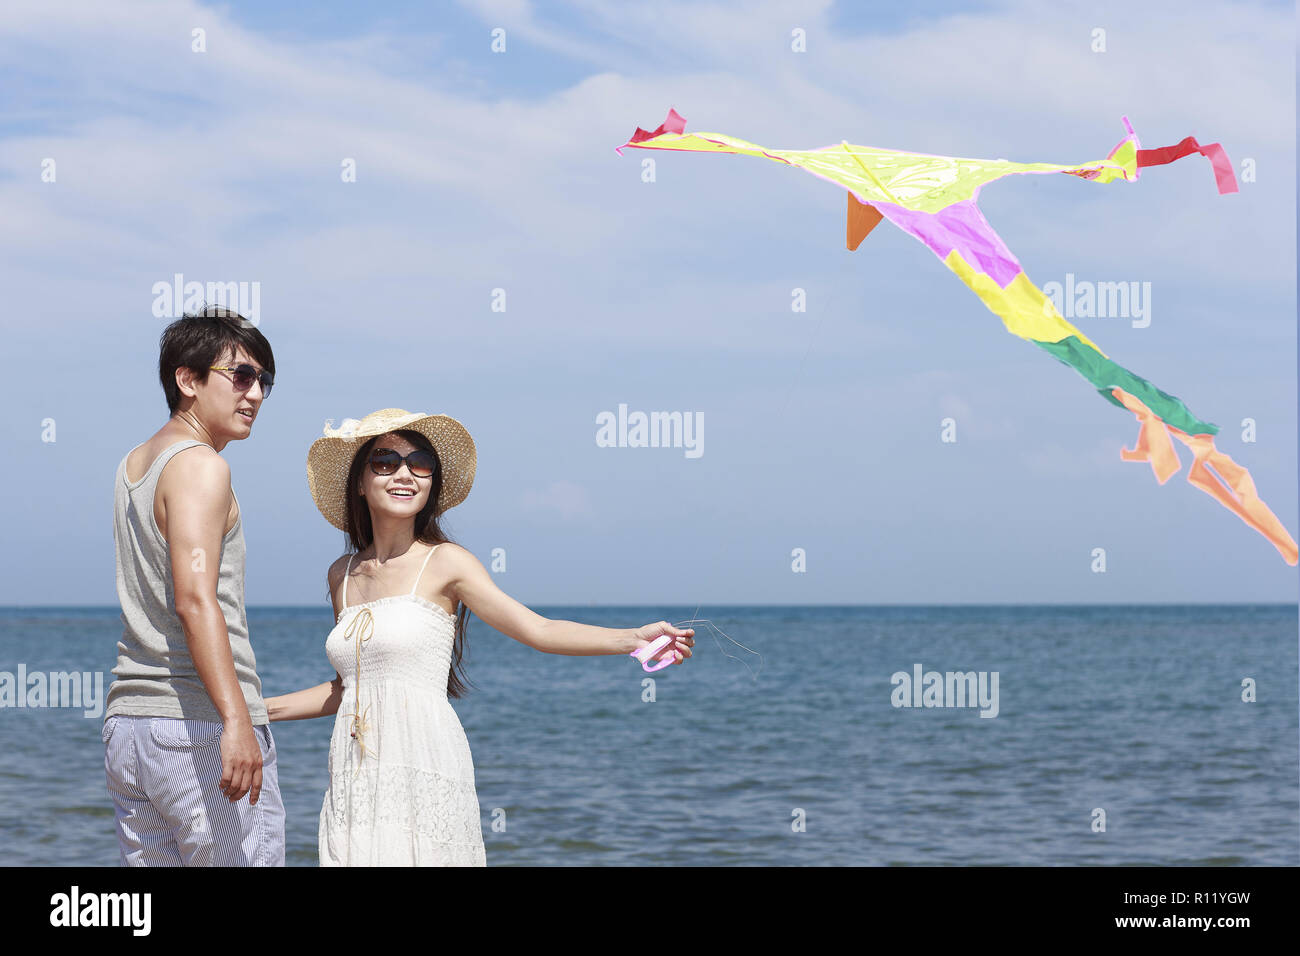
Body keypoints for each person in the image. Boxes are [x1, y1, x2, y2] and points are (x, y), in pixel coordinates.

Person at [264, 407, 695, 866]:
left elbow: (538, 629)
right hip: (356, 772)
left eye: (420, 462)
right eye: (385, 462)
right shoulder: (342, 575)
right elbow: (350, 690)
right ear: (359, 481)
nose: (404, 474)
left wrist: (632, 639)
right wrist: (256, 711)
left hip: (424, 760)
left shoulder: (447, 562)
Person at [102, 306, 285, 866]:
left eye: (264, 381)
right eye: (242, 376)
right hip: (196, 726)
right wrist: (235, 719)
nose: (255, 395)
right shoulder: (202, 465)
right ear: (188, 379)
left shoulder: (134, 464)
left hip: (129, 729)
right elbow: (194, 597)